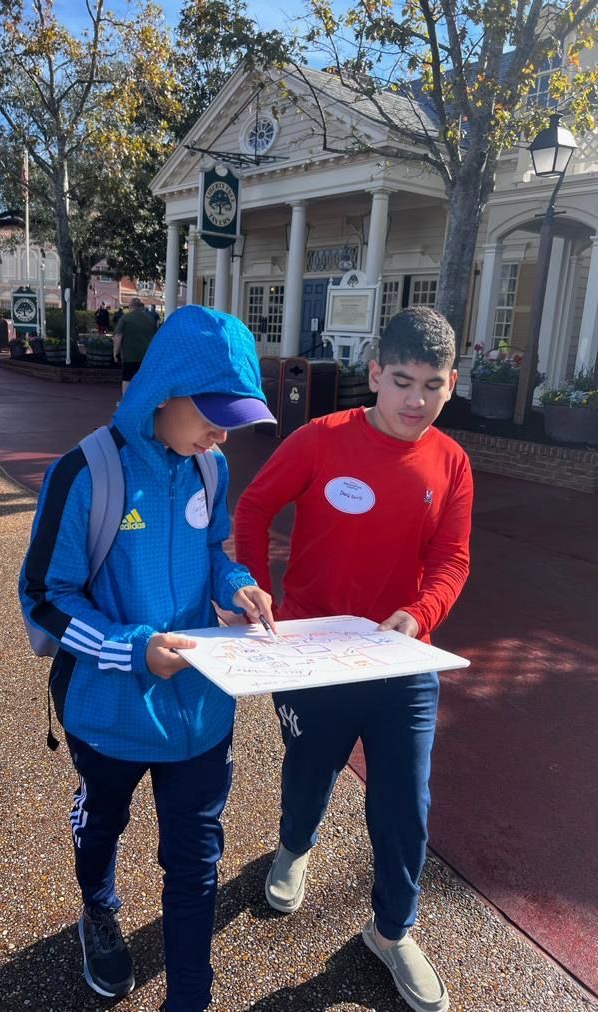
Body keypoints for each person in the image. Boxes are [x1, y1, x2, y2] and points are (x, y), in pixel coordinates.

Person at [20, 305, 277, 1011]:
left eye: (234, 420)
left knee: (195, 858)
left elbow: (212, 550)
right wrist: (132, 648)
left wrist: (237, 585)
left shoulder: (209, 467)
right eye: (215, 416)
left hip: (201, 710)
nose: (223, 435)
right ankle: (98, 908)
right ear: (165, 391)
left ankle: (190, 995)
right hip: (107, 712)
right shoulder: (85, 472)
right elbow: (45, 596)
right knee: (101, 823)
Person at [233, 307, 473, 1012]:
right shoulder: (320, 438)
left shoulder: (451, 462)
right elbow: (253, 509)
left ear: (451, 383)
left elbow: (452, 559)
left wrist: (420, 614)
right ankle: (294, 846)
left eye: (431, 385)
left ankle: (392, 929)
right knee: (310, 768)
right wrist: (257, 592)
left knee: (405, 799)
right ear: (374, 375)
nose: (415, 400)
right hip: (312, 654)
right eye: (401, 381)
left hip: (400, 658)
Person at [112, 297, 157, 397]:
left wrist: (115, 352)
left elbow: (118, 336)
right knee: (144, 380)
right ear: (141, 306)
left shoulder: (125, 318)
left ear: (131, 307)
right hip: (146, 356)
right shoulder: (151, 319)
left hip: (129, 355)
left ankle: (126, 402)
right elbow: (156, 337)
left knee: (127, 379)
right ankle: (142, 401)